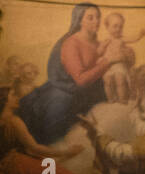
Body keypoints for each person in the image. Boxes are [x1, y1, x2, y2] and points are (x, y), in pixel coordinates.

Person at [20, 3, 120, 144]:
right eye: (90, 18)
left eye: (98, 17)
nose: (96, 21)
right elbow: (80, 79)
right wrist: (107, 62)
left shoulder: (97, 43)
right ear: (79, 20)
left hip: (86, 92)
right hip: (65, 92)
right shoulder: (71, 43)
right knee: (58, 131)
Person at [98, 12, 145, 104]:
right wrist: (102, 47)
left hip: (119, 65)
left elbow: (133, 39)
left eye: (120, 27)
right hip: (108, 66)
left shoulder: (121, 39)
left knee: (120, 79)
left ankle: (122, 99)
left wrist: (140, 35)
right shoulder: (105, 41)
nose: (118, 29)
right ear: (107, 27)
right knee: (107, 81)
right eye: (115, 26)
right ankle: (111, 99)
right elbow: (98, 53)